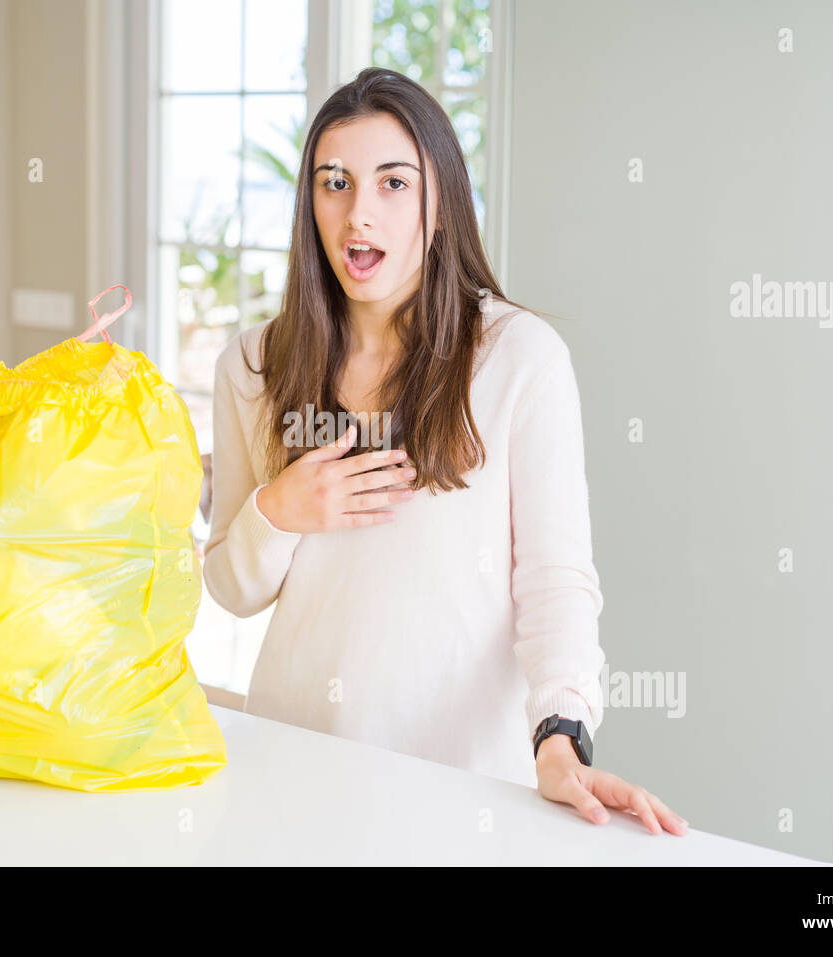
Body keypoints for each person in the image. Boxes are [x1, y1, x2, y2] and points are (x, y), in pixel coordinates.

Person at [203, 67, 685, 836]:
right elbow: (231, 587)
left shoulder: (519, 359)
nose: (359, 213)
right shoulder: (253, 366)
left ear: (438, 204)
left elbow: (556, 578)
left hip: (460, 790)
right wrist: (278, 509)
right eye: (335, 183)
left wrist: (561, 738)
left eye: (394, 183)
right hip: (291, 765)